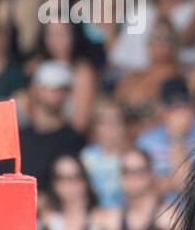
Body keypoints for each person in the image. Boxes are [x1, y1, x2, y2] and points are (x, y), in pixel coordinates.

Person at [135, 77, 195, 194]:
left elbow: (187, 184)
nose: (177, 109)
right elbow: (141, 187)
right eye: (169, 103)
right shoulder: (147, 139)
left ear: (192, 103)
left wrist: (177, 136)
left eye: (182, 101)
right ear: (160, 107)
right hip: (159, 209)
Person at [18, 61, 86, 190]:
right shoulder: (18, 137)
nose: (52, 95)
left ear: (67, 94)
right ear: (35, 90)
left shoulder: (75, 140)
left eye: (58, 89)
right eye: (46, 88)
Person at [35, 16, 99, 136]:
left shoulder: (83, 72)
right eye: (50, 34)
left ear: (72, 36)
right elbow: (34, 113)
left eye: (60, 33)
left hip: (71, 138)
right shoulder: (39, 67)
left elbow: (80, 122)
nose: (55, 40)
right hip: (41, 136)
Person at [79, 99, 131, 210]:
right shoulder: (86, 157)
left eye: (116, 122)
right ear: (95, 127)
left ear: (124, 127)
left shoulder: (132, 158)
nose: (110, 128)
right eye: (104, 122)